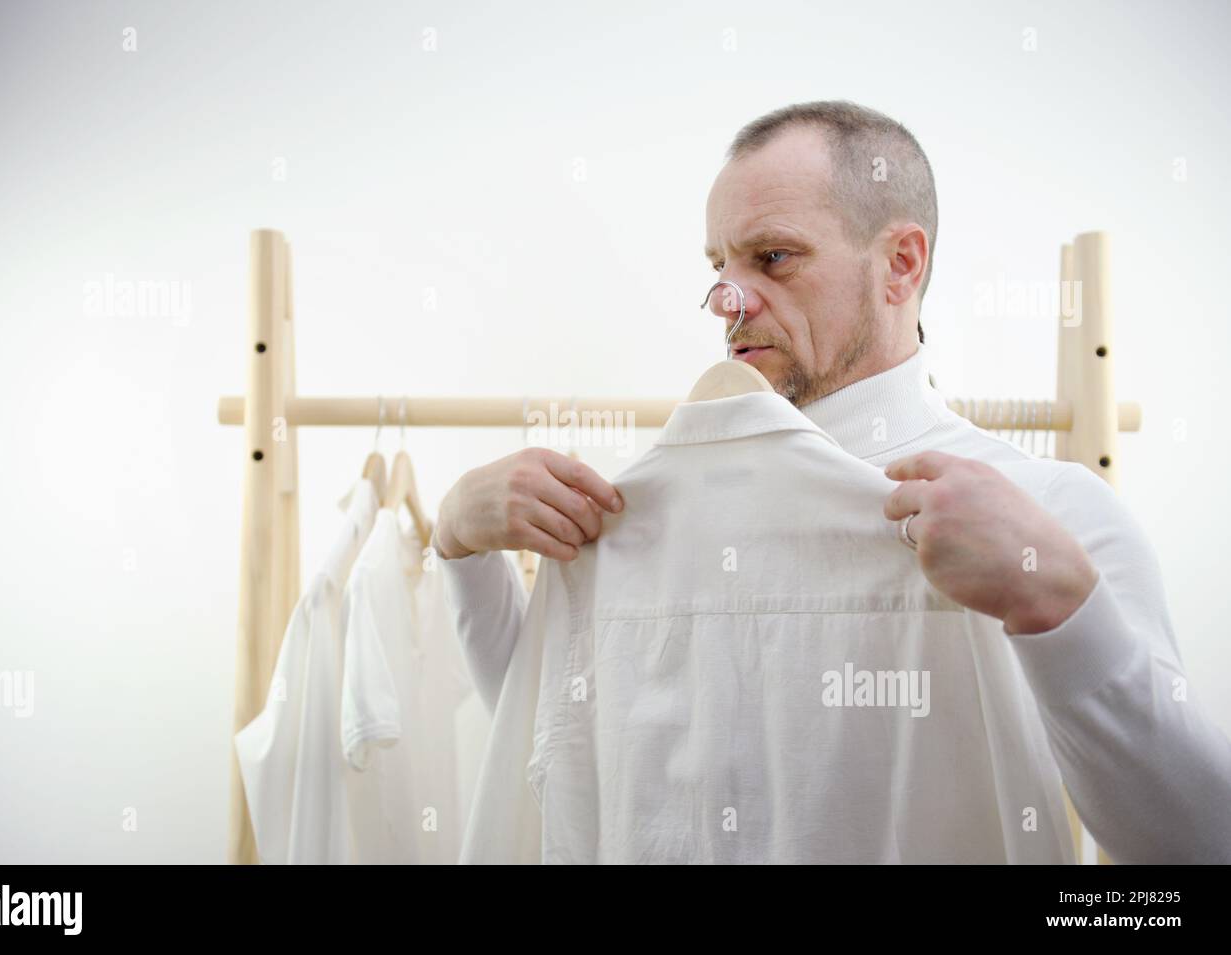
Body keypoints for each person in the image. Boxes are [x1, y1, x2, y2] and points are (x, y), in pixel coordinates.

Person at [433, 100, 1231, 863]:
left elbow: (1193, 849)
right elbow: (554, 760)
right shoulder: (636, 517)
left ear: (900, 263)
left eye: (772, 257)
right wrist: (457, 544)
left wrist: (1055, 601)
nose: (728, 300)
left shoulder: (1054, 514)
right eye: (720, 264)